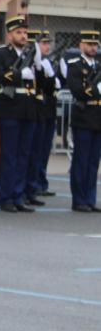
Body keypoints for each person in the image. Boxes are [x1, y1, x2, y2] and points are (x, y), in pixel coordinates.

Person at [0, 15, 38, 213]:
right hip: (10, 107)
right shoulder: (0, 53)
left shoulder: (31, 55)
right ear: (9, 35)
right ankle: (7, 197)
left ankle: (19, 196)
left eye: (25, 32)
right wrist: (19, 74)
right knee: (9, 155)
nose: (24, 36)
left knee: (24, 155)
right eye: (19, 32)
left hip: (28, 108)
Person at [65, 30, 101, 212]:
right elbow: (78, 91)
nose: (93, 48)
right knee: (82, 160)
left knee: (94, 162)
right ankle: (79, 199)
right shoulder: (75, 65)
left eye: (95, 45)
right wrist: (96, 89)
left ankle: (90, 198)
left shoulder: (99, 67)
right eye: (89, 44)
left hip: (98, 117)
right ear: (81, 46)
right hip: (84, 116)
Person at [25, 29, 59, 206]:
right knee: (33, 151)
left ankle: (40, 182)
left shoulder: (49, 62)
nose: (47, 46)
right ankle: (34, 184)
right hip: (37, 109)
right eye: (43, 43)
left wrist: (53, 78)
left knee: (43, 150)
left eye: (48, 43)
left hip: (48, 110)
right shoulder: (34, 62)